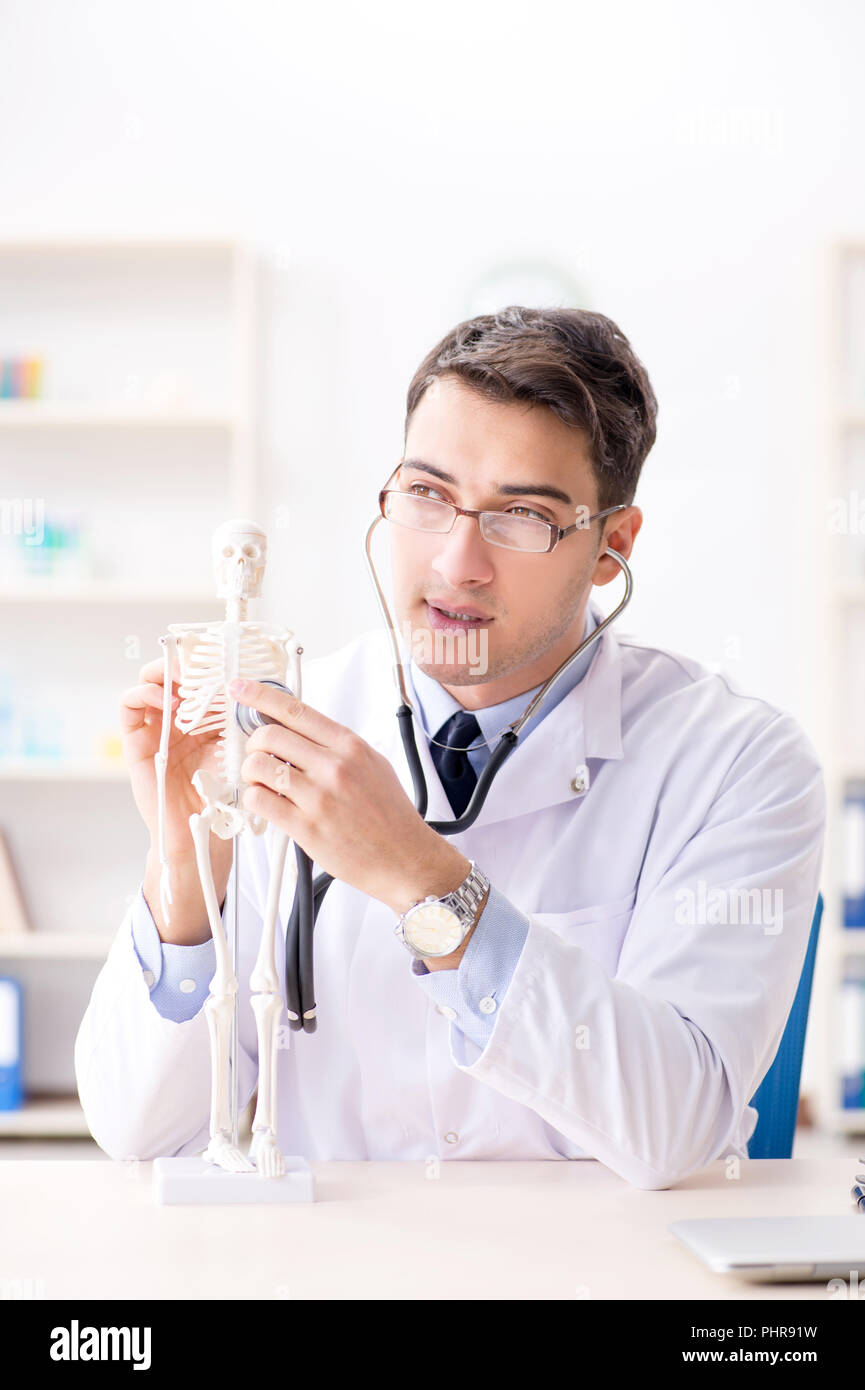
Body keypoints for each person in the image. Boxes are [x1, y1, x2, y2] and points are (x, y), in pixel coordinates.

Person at [74, 306, 825, 1190]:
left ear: (609, 549)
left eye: (521, 515)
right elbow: (136, 1128)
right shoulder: (278, 722)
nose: (457, 562)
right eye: (428, 496)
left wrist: (422, 879)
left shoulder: (738, 763)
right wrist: (184, 870)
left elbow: (677, 1127)